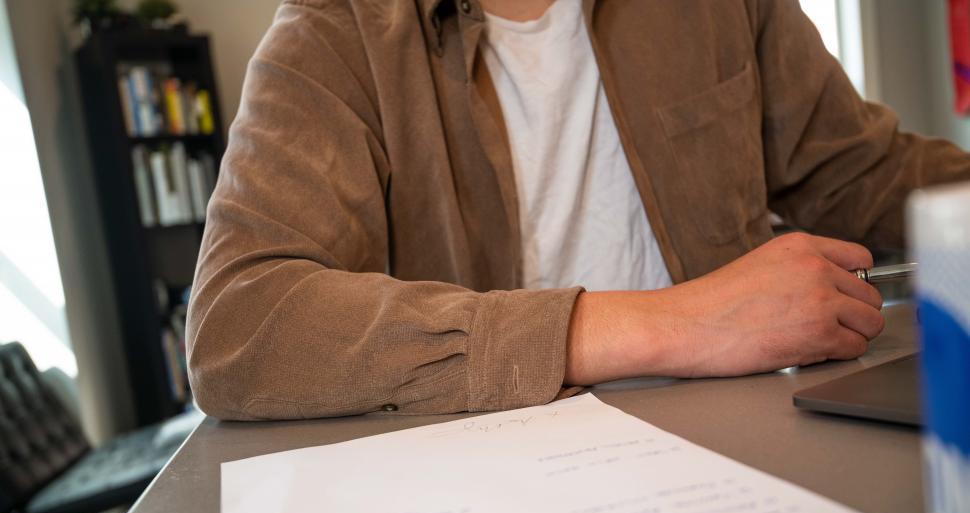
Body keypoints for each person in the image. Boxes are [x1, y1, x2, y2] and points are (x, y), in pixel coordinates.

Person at [185, 0, 970, 420]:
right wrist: (683, 323)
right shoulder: (335, 31)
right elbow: (239, 325)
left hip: (748, 452)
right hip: (488, 494)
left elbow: (867, 175)